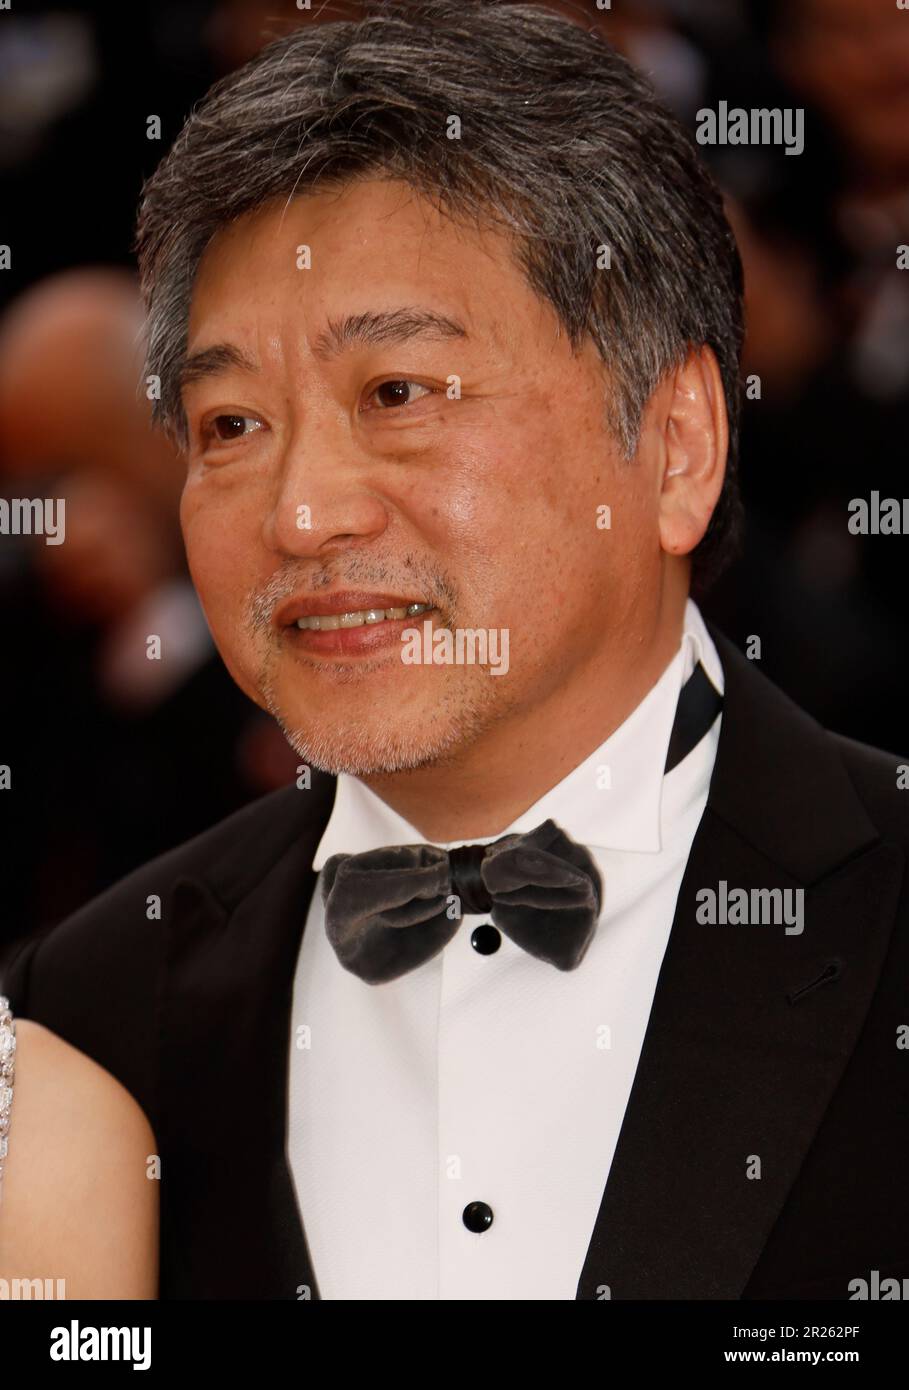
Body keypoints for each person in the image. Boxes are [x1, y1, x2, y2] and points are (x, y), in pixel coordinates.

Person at [2, 0, 907, 1301]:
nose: (303, 514)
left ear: (676, 447)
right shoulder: (88, 1013)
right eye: (232, 424)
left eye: (398, 394)